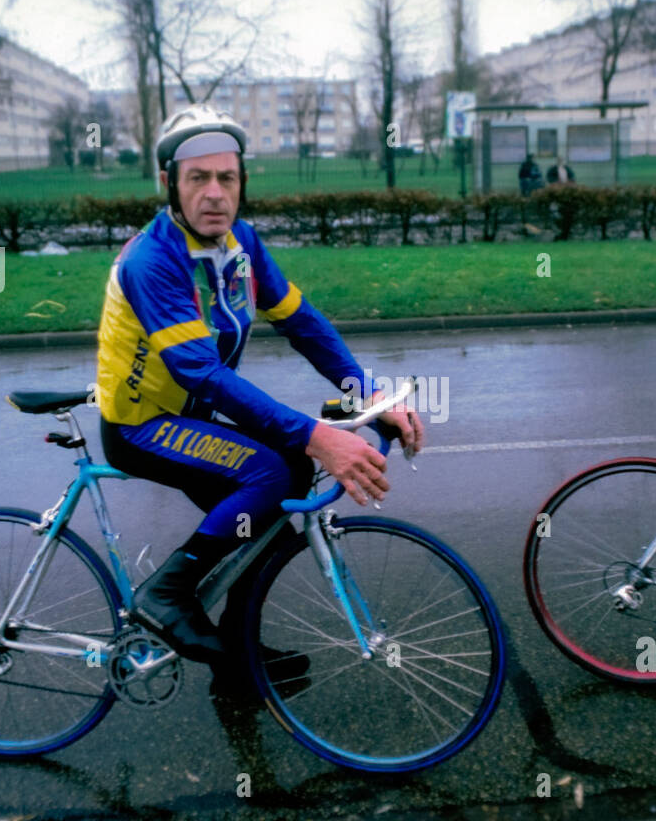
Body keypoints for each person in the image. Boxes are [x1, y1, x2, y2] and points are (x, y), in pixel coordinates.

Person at [95, 104, 424, 672]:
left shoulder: (241, 243)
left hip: (192, 414)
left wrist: (366, 391)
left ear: (243, 183)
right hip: (140, 425)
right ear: (169, 184)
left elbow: (299, 320)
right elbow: (202, 374)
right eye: (198, 178)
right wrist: (317, 434)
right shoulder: (154, 260)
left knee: (279, 494)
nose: (215, 193)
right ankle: (165, 595)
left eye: (227, 177)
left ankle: (237, 658)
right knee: (271, 472)